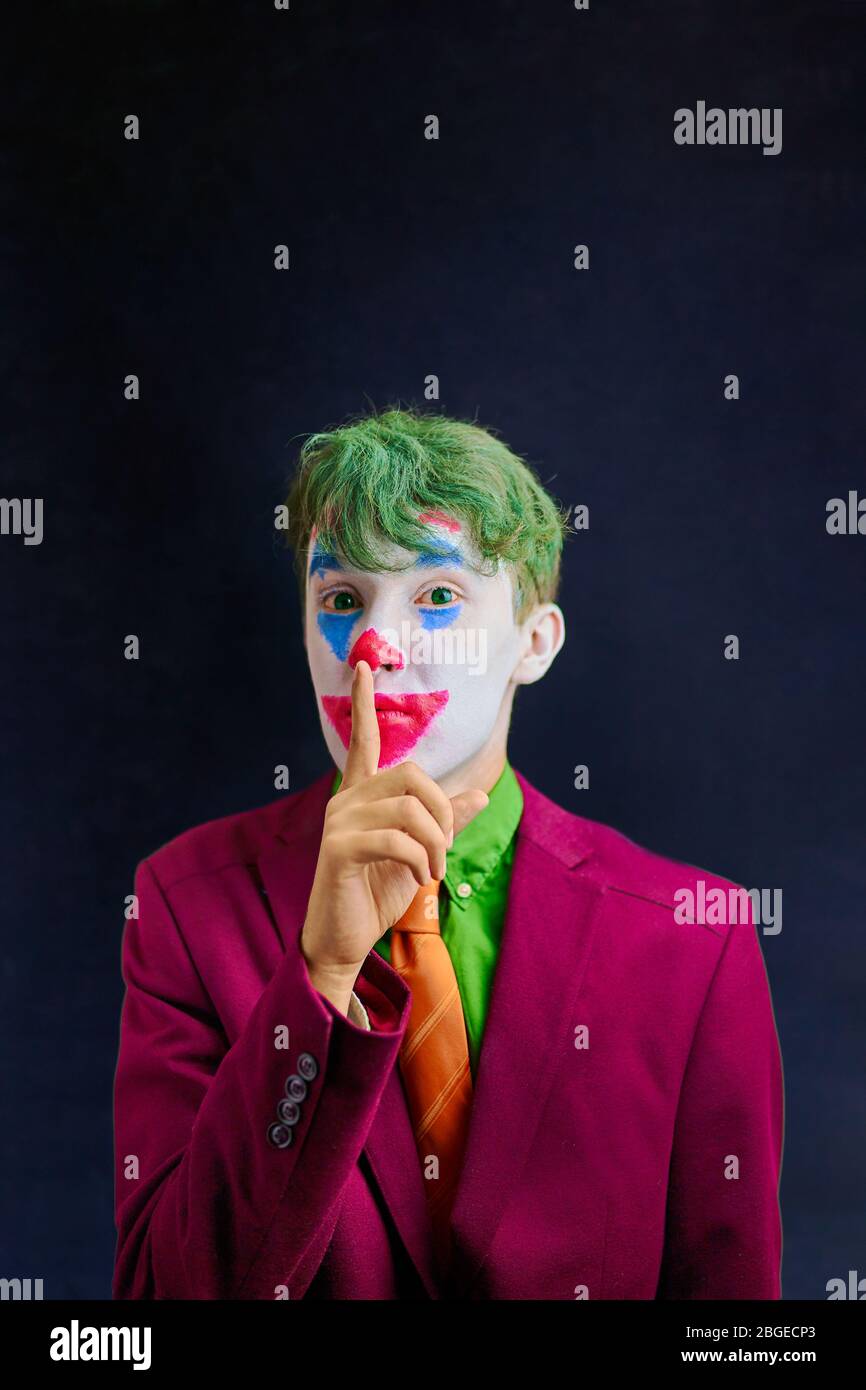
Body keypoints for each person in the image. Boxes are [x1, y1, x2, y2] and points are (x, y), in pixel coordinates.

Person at [112, 407, 784, 1299]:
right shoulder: (184, 906)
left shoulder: (698, 939)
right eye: (341, 599)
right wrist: (321, 975)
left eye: (437, 596)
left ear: (533, 644)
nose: (375, 650)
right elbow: (162, 1304)